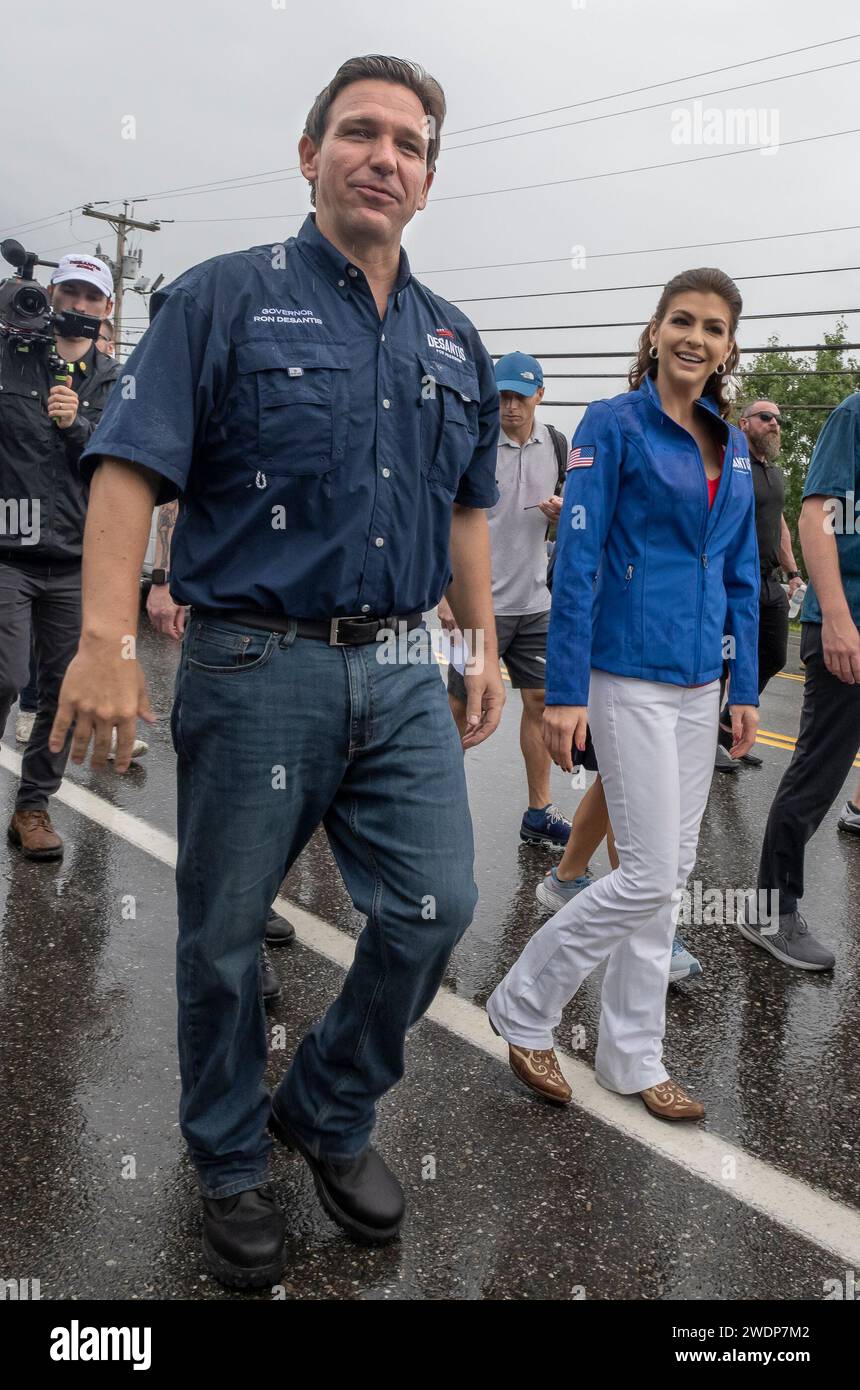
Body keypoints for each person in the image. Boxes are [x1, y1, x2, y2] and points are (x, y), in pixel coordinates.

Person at [51, 55, 504, 1290]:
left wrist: (479, 645)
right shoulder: (220, 299)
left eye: (407, 144)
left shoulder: (453, 338)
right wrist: (102, 643)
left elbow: (468, 515)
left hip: (405, 661)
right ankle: (229, 1157)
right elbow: (126, 469)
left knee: (433, 908)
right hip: (254, 660)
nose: (383, 157)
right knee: (222, 938)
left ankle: (323, 1106)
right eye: (358, 133)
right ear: (309, 156)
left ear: (427, 178)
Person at [487, 267, 760, 1120]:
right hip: (624, 670)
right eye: (682, 321)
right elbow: (581, 559)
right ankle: (526, 1007)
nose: (695, 339)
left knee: (670, 874)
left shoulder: (735, 444)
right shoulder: (612, 425)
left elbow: (742, 571)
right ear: (654, 331)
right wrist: (563, 689)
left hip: (697, 680)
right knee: (645, 874)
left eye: (713, 329)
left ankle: (631, 1055)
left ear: (728, 348)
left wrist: (741, 682)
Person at [146, 497, 296, 1001]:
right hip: (236, 620)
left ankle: (255, 904)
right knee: (238, 801)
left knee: (291, 798)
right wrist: (164, 579)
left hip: (319, 621)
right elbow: (171, 488)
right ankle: (238, 935)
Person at [0, 253, 118, 859]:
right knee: (6, 674)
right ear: (50, 295)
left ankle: (32, 809)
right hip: (7, 553)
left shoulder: (117, 381)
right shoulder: (11, 355)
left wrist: (77, 427)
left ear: (107, 308)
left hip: (76, 560)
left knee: (63, 693)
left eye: (90, 297)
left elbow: (120, 471)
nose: (78, 305)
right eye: (68, 293)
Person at [738, 388, 860, 969]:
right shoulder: (852, 415)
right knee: (818, 773)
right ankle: (769, 910)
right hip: (849, 627)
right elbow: (816, 519)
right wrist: (835, 616)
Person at [441, 351, 571, 847]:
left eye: (520, 395)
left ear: (540, 393)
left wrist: (565, 514)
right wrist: (447, 598)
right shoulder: (474, 444)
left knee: (538, 702)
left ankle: (539, 811)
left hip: (536, 601)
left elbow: (574, 516)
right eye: (502, 395)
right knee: (461, 707)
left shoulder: (557, 446)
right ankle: (439, 804)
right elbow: (448, 519)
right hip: (478, 605)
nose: (510, 405)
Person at [714, 399, 804, 772]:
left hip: (768, 584)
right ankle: (705, 741)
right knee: (721, 663)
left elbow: (779, 524)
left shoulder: (773, 473)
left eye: (778, 419)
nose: (774, 424)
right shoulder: (730, 465)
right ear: (745, 423)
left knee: (773, 655)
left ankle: (725, 728)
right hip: (730, 582)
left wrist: (793, 572)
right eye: (765, 417)